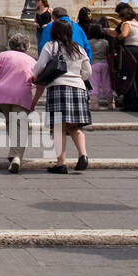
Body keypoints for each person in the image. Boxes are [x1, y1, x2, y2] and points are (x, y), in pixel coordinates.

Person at [31, 18, 91, 173]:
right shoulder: (78, 48)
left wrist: (35, 77)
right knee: (75, 126)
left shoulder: (51, 46)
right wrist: (79, 78)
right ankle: (83, 155)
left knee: (58, 128)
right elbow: (87, 71)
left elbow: (40, 65)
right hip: (78, 88)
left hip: (58, 88)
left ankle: (61, 163)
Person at [0, 32, 37, 172]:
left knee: (10, 122)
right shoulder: (31, 60)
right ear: (27, 46)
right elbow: (37, 79)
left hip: (1, 95)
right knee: (21, 125)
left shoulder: (2, 55)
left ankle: (14, 152)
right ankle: (16, 156)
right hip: (22, 95)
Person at [114, 2, 138, 112]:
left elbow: (124, 35)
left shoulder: (127, 24)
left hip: (130, 51)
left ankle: (131, 104)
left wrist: (118, 38)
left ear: (124, 16)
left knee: (129, 77)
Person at [85, 13, 114, 110]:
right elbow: (107, 52)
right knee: (107, 83)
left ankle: (94, 104)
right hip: (104, 63)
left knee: (94, 84)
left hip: (94, 64)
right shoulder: (105, 42)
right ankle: (111, 103)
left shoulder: (89, 42)